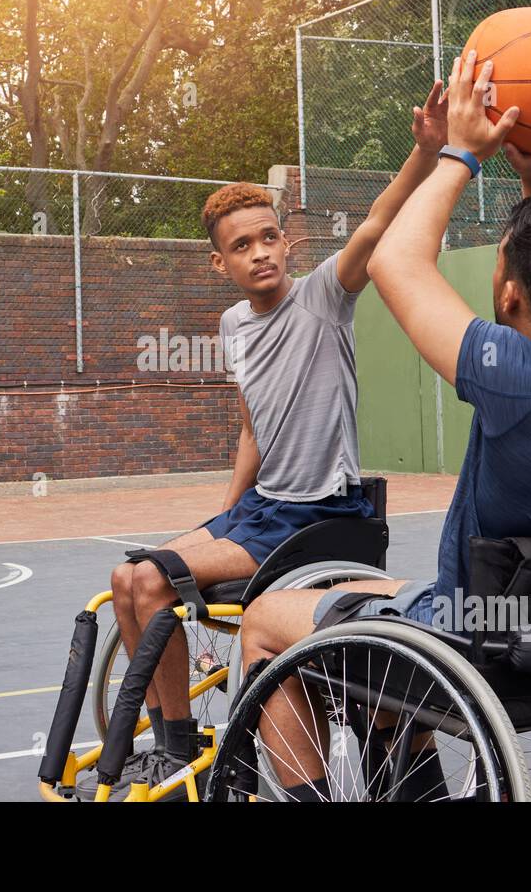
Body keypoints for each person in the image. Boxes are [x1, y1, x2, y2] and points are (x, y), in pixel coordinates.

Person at [238, 49, 531, 801]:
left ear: (509, 293)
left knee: (266, 621)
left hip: (479, 637)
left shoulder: (516, 376)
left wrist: (464, 148)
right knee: (369, 588)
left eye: (501, 263)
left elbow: (399, 257)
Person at [79, 83, 455, 799]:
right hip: (261, 510)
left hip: (322, 516)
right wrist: (220, 518)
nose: (260, 253)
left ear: (288, 242)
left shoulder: (323, 297)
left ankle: (178, 746)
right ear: (220, 263)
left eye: (268, 237)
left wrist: (426, 149)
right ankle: (171, 740)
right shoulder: (232, 326)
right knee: (127, 578)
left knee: (154, 579)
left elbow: (376, 227)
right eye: (241, 246)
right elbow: (252, 424)